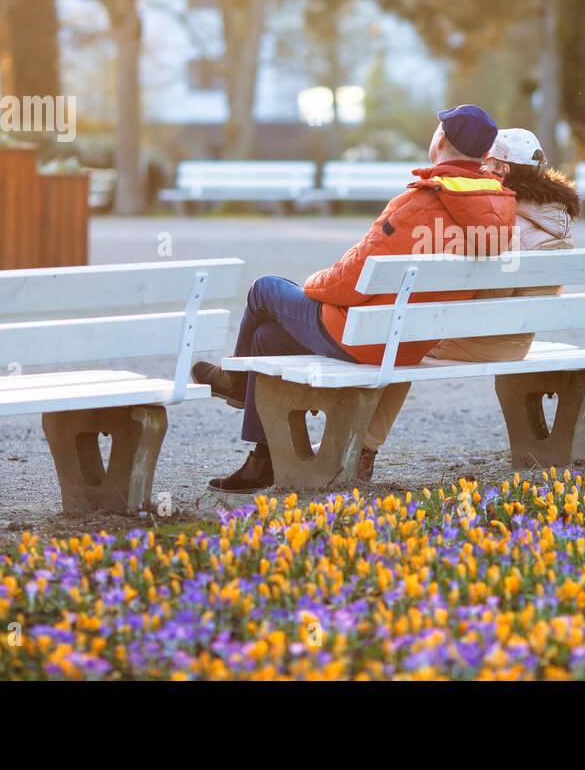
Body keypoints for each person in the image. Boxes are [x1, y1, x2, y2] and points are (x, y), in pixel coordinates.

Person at [192, 105, 516, 493]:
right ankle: (262, 461)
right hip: (412, 343)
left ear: (441, 140)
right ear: (482, 155)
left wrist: (310, 284)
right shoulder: (497, 211)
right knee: (266, 341)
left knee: (265, 289)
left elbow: (349, 283)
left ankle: (234, 381)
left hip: (361, 339)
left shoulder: (418, 203)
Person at [356, 127, 581, 480]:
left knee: (399, 338)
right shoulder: (557, 220)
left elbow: (479, 296)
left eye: (486, 163)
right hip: (518, 344)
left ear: (502, 170)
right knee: (405, 331)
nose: (480, 169)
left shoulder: (498, 221)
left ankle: (362, 449)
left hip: (477, 340)